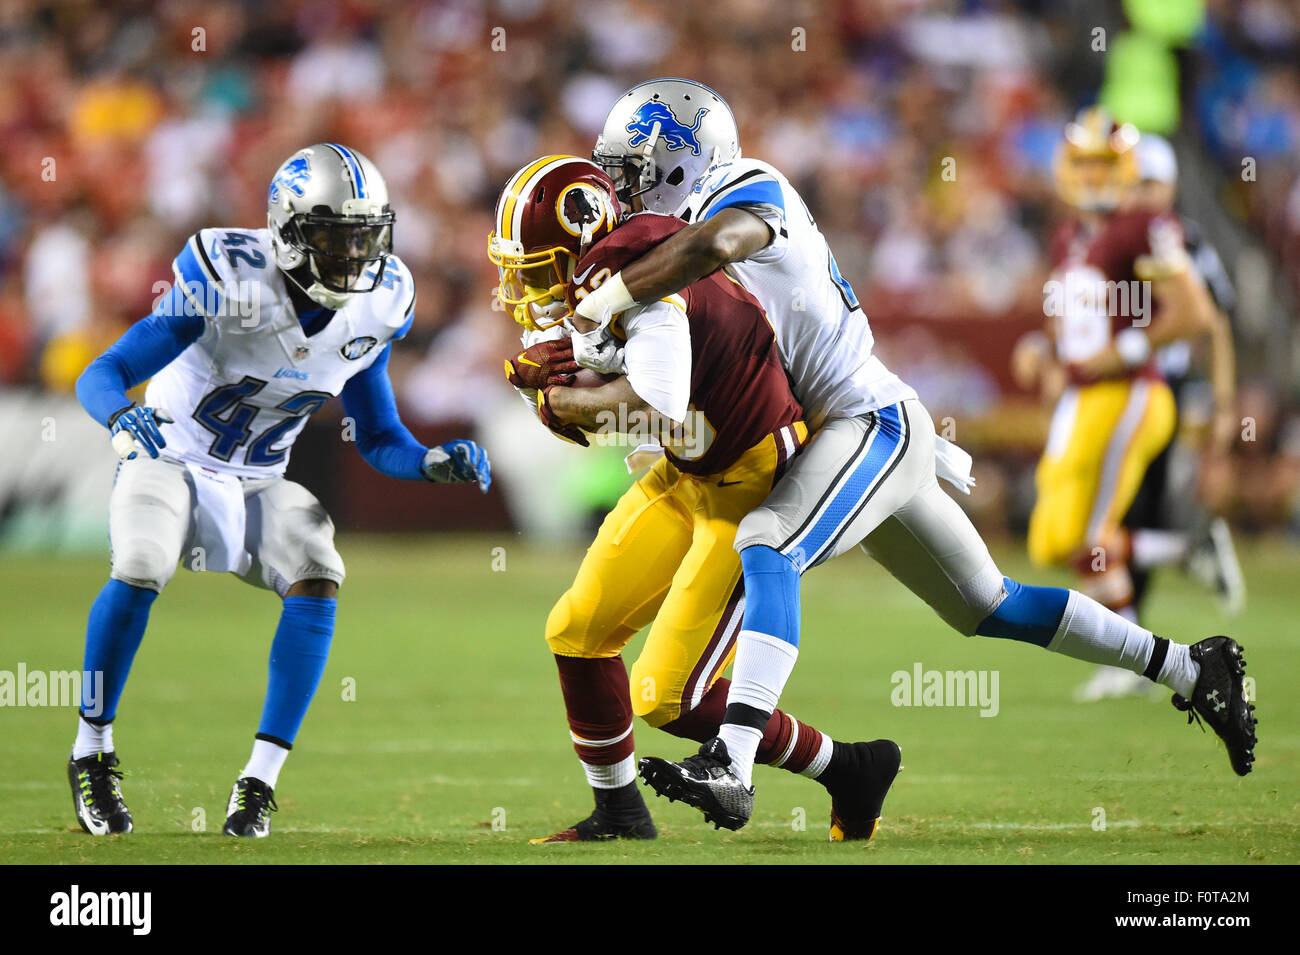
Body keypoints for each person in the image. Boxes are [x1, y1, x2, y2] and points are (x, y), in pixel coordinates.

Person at [569, 82, 1254, 832]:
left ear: (686, 157)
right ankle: (1192, 665)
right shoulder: (671, 240)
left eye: (636, 165)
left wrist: (604, 301)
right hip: (844, 432)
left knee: (768, 538)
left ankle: (733, 759)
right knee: (990, 604)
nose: (625, 184)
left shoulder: (742, 189)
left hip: (868, 421)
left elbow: (712, 247)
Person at [68, 143, 491, 838]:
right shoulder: (229, 276)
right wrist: (120, 414)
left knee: (320, 569)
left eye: (365, 237)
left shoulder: (376, 308)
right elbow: (105, 369)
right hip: (169, 456)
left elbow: (379, 435)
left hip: (258, 479)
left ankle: (258, 783)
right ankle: (91, 749)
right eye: (334, 238)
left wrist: (432, 462)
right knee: (141, 562)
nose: (354, 257)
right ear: (289, 231)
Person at [492, 154, 898, 843]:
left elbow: (655, 405)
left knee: (665, 695)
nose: (526, 288)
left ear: (582, 236)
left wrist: (566, 399)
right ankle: (619, 811)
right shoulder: (599, 273)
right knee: (577, 631)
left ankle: (850, 767)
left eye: (535, 267)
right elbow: (604, 406)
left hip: (749, 479)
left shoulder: (642, 279)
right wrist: (559, 400)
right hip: (687, 472)